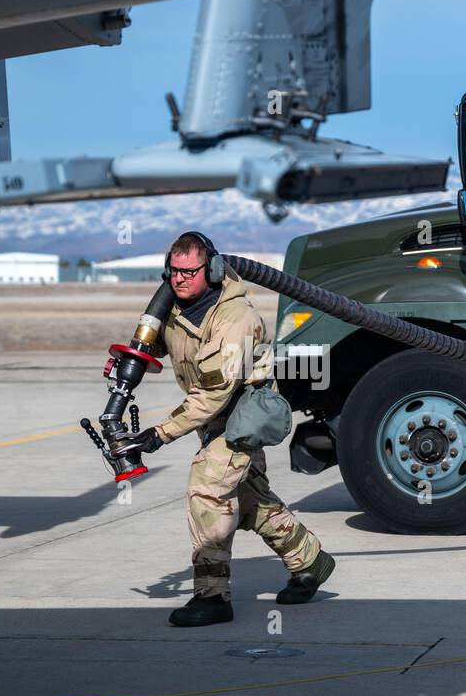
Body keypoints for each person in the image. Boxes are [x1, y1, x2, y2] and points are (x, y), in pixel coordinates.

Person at [128, 230, 334, 626]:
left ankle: (212, 596)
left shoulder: (235, 318)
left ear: (214, 269)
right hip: (213, 418)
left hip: (240, 415)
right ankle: (310, 561)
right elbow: (160, 345)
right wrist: (132, 359)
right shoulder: (175, 307)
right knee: (251, 501)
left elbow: (213, 394)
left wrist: (159, 434)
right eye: (173, 271)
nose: (180, 279)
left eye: (190, 272)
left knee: (207, 492)